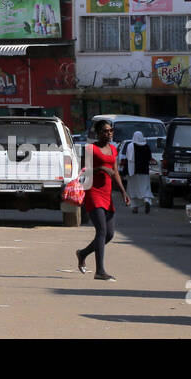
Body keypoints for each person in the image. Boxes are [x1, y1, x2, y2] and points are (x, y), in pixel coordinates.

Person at [75, 119, 129, 281]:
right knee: (101, 231)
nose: (109, 133)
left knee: (109, 234)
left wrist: (123, 191)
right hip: (93, 192)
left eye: (111, 130)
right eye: (105, 131)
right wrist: (100, 168)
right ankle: (100, 271)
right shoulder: (90, 149)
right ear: (98, 133)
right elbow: (84, 171)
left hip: (107, 194)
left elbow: (115, 172)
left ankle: (83, 253)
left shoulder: (113, 149)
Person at [122, 130, 153, 214]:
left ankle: (135, 208)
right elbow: (149, 158)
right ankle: (146, 200)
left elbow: (128, 160)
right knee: (145, 188)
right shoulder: (146, 146)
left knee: (133, 190)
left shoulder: (130, 146)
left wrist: (124, 172)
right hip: (144, 172)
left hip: (133, 172)